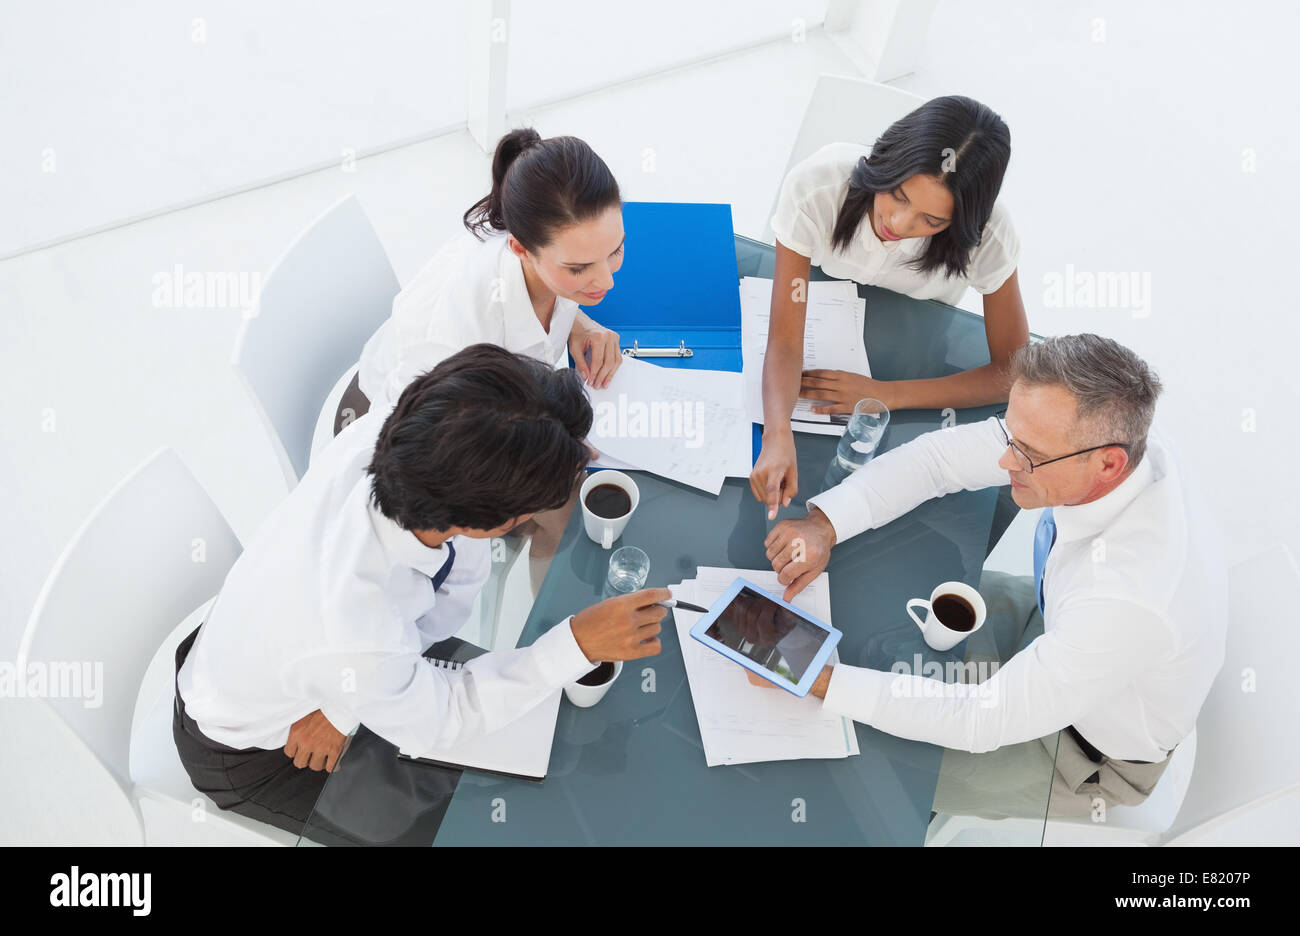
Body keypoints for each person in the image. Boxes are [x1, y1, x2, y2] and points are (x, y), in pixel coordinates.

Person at [173, 344, 669, 839]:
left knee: (551, 735)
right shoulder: (355, 623)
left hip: (298, 661)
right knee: (503, 824)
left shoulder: (405, 434)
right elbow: (443, 716)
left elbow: (388, 649)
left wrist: (343, 701)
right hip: (260, 753)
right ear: (491, 523)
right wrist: (575, 643)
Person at [755, 334, 1226, 819]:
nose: (1005, 462)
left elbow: (981, 720)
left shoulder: (1128, 599)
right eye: (1009, 438)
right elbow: (938, 460)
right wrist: (824, 524)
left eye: (1028, 454)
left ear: (1108, 463)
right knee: (879, 616)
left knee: (854, 761)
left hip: (1081, 751)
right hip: (1052, 621)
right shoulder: (1113, 435)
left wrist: (817, 679)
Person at [751, 95, 1029, 521]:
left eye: (931, 221)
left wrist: (887, 394)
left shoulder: (989, 235)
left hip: (913, 353)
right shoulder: (818, 186)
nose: (898, 224)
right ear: (885, 160)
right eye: (897, 194)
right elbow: (786, 339)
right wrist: (776, 433)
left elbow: (1014, 372)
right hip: (829, 311)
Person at [345, 128, 626, 428]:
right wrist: (548, 449)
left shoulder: (549, 241)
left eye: (616, 249)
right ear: (521, 249)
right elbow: (415, 441)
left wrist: (577, 324)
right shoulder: (458, 331)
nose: (607, 282)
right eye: (579, 269)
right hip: (390, 423)